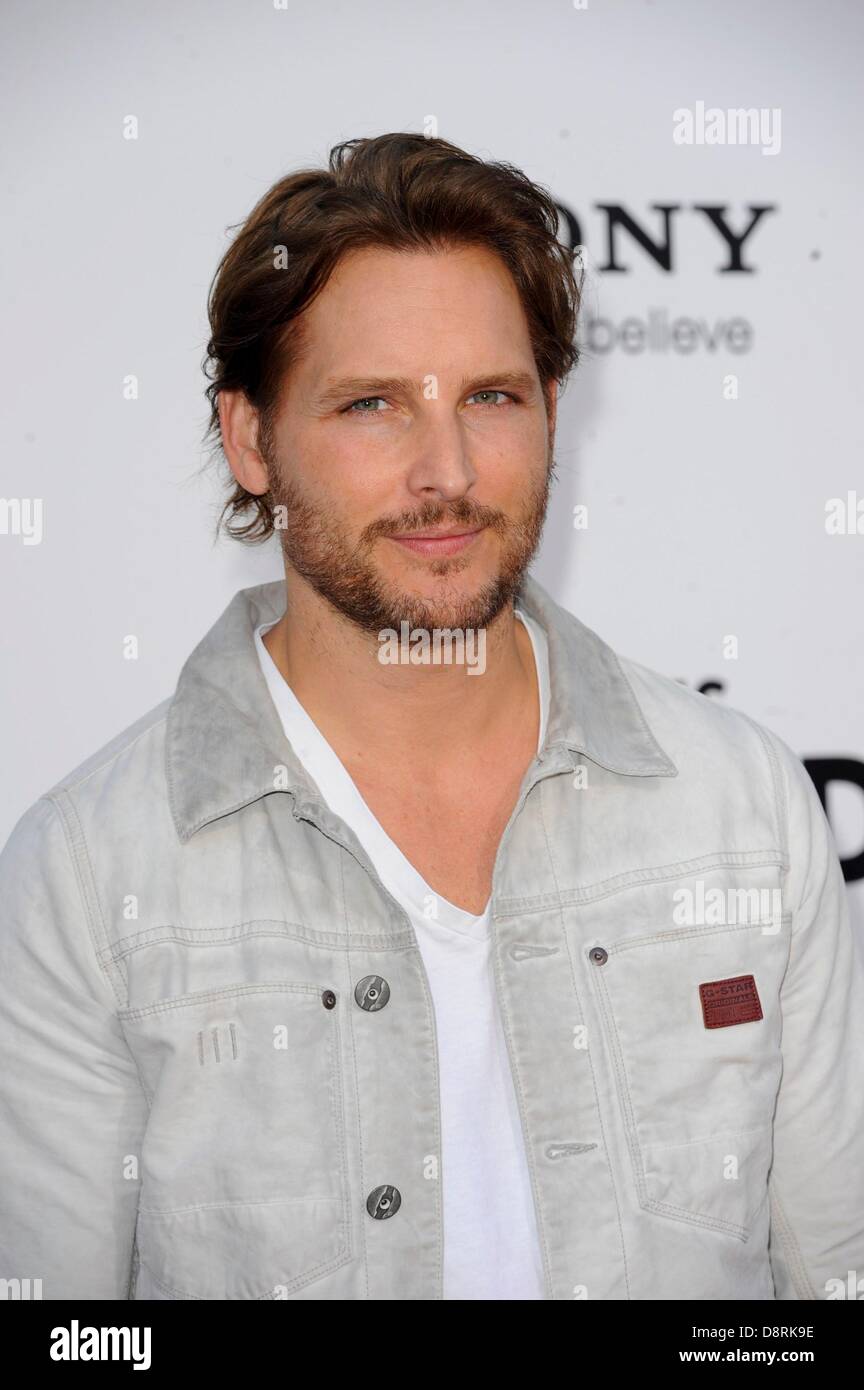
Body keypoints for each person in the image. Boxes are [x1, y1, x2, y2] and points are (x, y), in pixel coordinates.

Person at [1, 132, 862, 1301]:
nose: (447, 470)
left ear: (554, 408)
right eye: (374, 406)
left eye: (490, 396)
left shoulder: (744, 808)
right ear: (252, 438)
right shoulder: (90, 872)